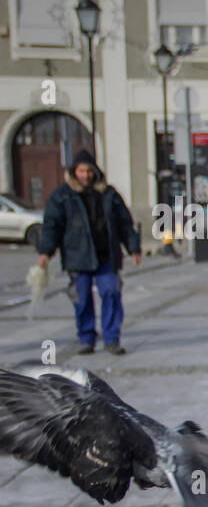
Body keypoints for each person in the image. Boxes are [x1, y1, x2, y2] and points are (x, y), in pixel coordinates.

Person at [36, 150, 141, 355]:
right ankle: (86, 337)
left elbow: (125, 224)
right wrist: (45, 252)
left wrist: (134, 248)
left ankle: (111, 338)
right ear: (74, 171)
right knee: (81, 298)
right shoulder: (62, 196)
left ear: (95, 171)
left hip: (106, 256)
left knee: (111, 293)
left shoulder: (109, 194)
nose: (86, 175)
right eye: (81, 171)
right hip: (78, 256)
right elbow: (52, 226)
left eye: (89, 171)